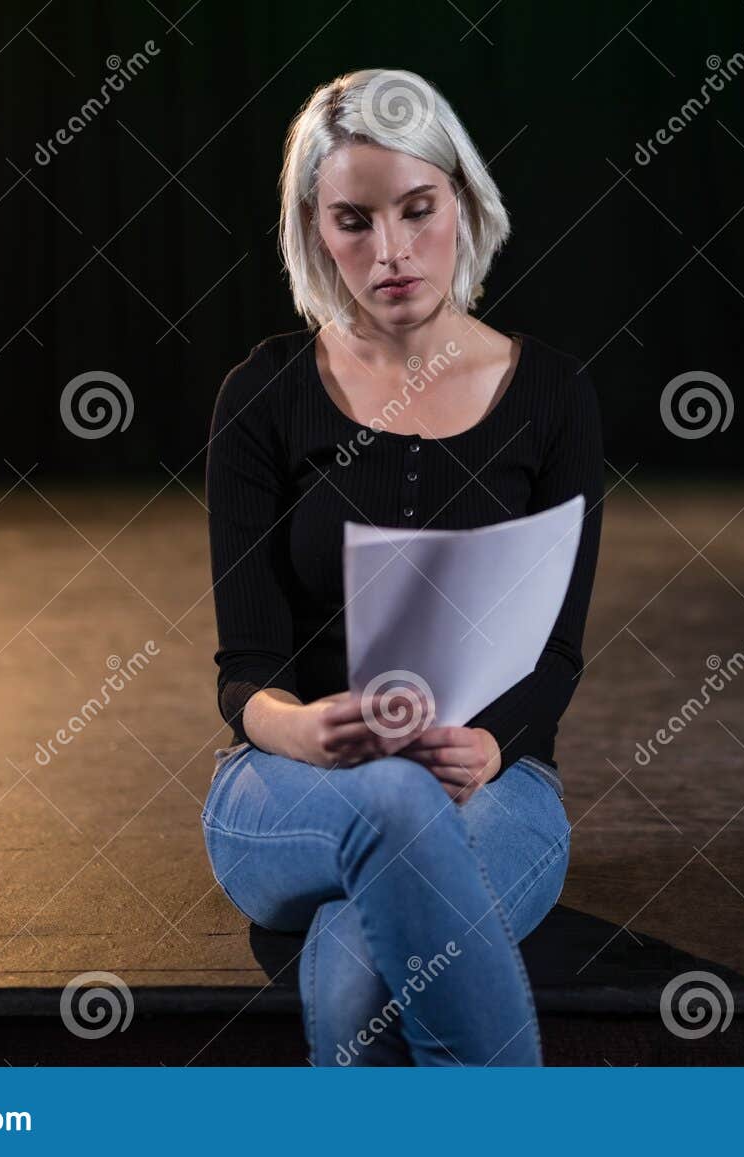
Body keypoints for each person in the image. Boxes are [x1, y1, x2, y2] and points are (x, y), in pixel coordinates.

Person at [200, 67, 604, 1066]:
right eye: (352, 220)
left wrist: (494, 745)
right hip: (287, 790)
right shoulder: (262, 396)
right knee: (388, 799)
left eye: (418, 209)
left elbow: (554, 652)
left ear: (463, 202)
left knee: (357, 948)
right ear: (311, 228)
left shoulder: (552, 394)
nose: (390, 252)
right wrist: (300, 726)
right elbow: (242, 671)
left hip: (496, 788)